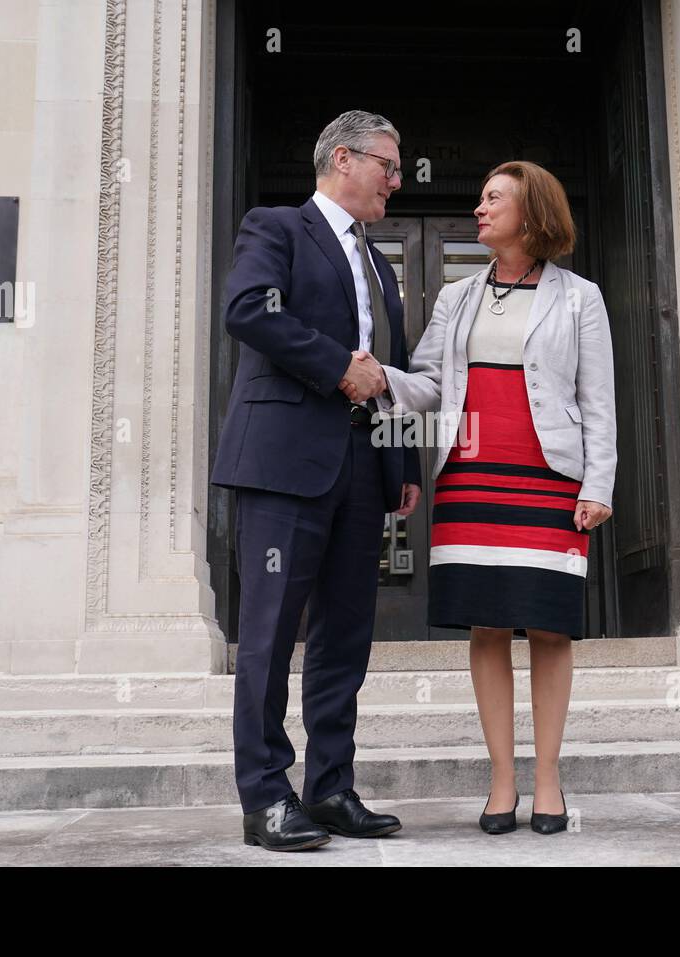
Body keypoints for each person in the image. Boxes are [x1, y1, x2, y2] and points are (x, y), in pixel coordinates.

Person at [356, 160, 616, 835]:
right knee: (487, 624)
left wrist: (598, 485)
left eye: (494, 198)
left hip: (550, 475)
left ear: (532, 212)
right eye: (480, 199)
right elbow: (428, 383)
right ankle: (503, 779)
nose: (480, 208)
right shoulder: (457, 297)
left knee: (552, 626)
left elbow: (599, 401)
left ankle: (549, 779)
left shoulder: (580, 297)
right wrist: (374, 375)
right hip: (471, 475)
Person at [210, 110, 422, 851]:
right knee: (269, 635)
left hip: (361, 473)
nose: (397, 182)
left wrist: (403, 461)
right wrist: (336, 364)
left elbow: (389, 369)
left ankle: (330, 787)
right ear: (342, 158)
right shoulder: (275, 228)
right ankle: (265, 797)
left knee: (345, 636)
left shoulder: (380, 262)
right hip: (281, 463)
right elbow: (247, 311)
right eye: (388, 167)